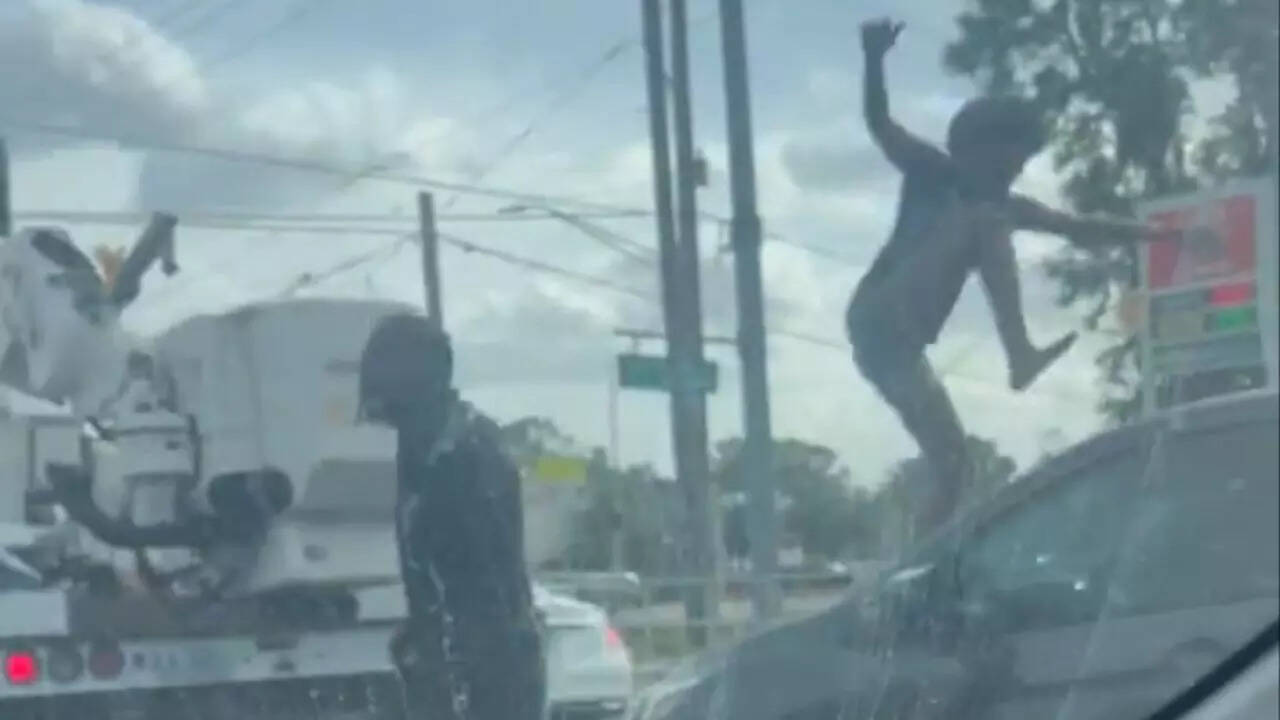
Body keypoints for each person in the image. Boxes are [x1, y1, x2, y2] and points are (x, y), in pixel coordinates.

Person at [849, 18, 1170, 533]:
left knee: (955, 464)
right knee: (986, 221)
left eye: (1019, 168)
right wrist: (873, 59)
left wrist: (1160, 236)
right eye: (1005, 165)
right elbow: (880, 122)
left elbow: (1080, 226)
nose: (1012, 176)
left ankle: (919, 563)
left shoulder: (1005, 204)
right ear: (970, 150)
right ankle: (1018, 352)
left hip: (899, 351)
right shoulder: (934, 171)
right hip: (877, 310)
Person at [358, 313, 546, 720]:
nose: (393, 429)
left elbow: (485, 589)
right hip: (458, 670)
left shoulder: (470, 459)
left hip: (489, 675)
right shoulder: (424, 455)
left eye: (395, 414)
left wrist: (452, 675)